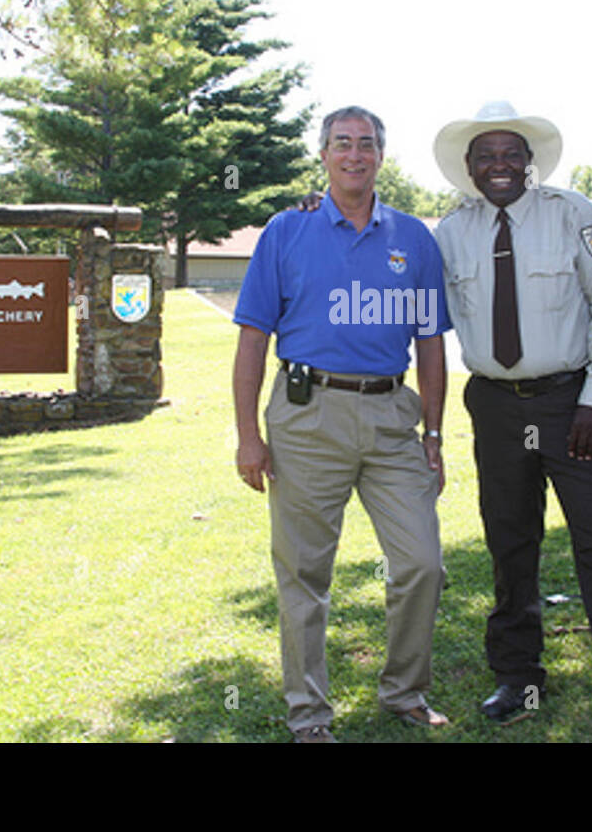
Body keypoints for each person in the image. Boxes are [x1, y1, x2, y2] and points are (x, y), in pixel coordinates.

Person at [432, 101, 592, 743]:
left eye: (512, 153)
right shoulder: (449, 233)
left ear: (529, 162)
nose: (500, 164)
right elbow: (399, 283)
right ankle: (519, 677)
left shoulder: (574, 216)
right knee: (510, 545)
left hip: (573, 404)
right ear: (471, 167)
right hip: (496, 406)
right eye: (488, 155)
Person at [232, 105, 451, 743]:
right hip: (307, 418)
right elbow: (251, 341)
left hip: (391, 419)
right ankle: (309, 715)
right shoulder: (284, 232)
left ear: (381, 156)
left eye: (366, 145)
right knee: (304, 574)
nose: (354, 154)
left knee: (422, 563)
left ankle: (404, 691)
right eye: (341, 144)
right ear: (323, 154)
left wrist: (433, 435)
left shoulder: (413, 239)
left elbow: (431, 345)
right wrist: (248, 434)